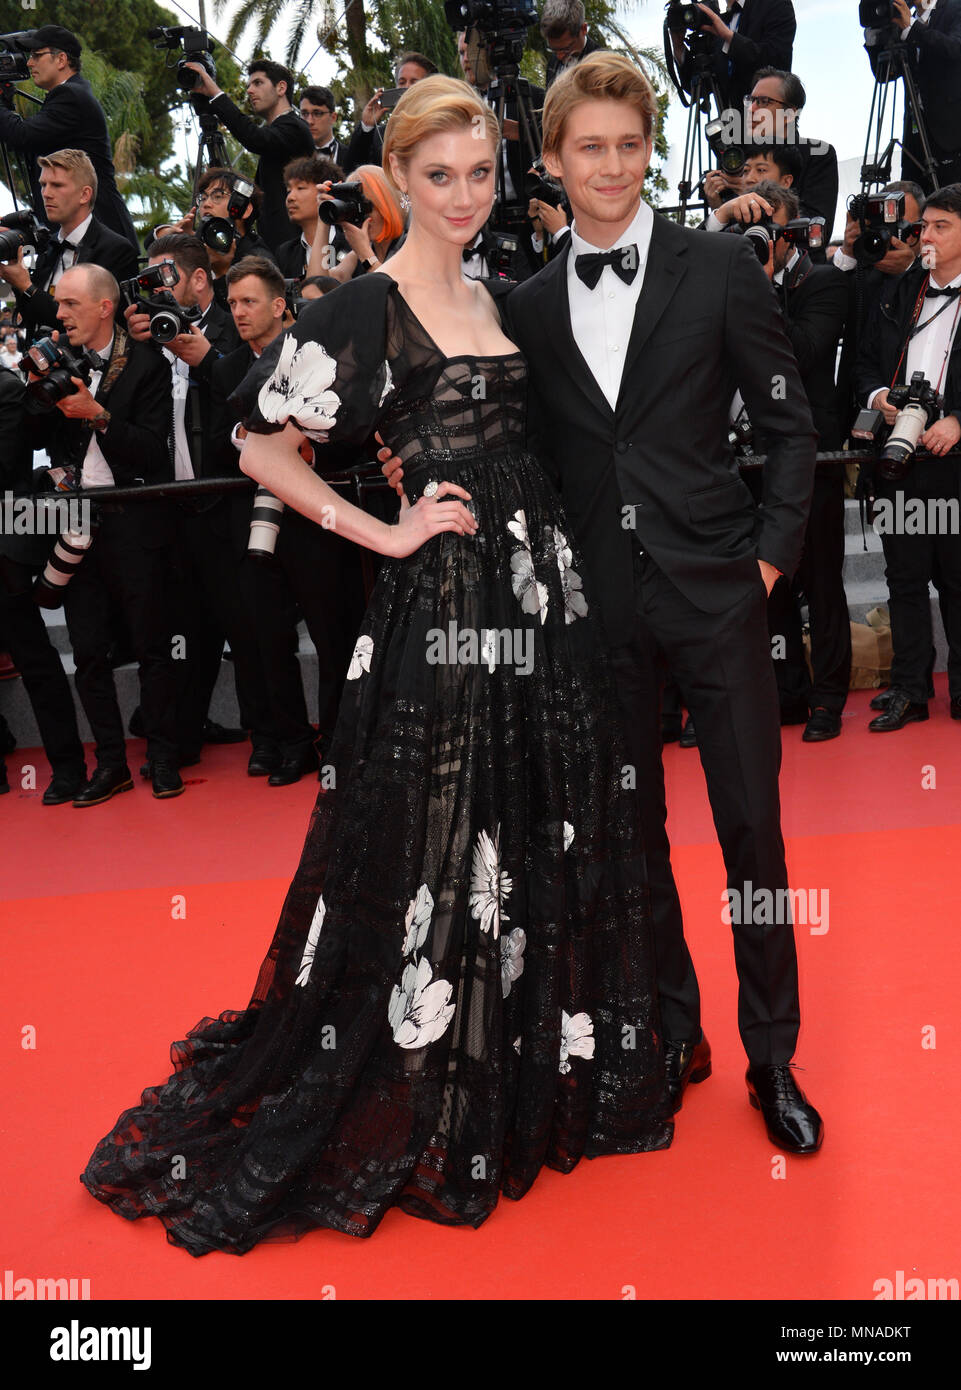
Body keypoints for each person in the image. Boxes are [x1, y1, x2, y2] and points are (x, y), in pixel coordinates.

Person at [80, 74, 672, 1254]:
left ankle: (521, 1045)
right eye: (438, 175)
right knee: (437, 827)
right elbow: (259, 442)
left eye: (481, 174)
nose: (463, 195)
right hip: (444, 597)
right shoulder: (364, 304)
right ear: (396, 183)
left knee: (532, 815)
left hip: (539, 598)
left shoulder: (503, 297)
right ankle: (429, 1061)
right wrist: (384, 528)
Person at [387, 53, 823, 1153]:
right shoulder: (525, 306)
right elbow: (504, 446)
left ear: (648, 150)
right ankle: (672, 1030)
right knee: (629, 837)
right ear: (554, 161)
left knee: (752, 834)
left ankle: (773, 1056)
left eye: (630, 145)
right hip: (595, 611)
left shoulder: (720, 266)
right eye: (591, 146)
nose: (613, 166)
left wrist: (766, 563)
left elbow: (789, 428)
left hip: (718, 594)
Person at [24, 264, 181, 806]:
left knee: (152, 647)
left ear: (103, 307)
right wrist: (37, 391)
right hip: (77, 527)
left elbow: (151, 451)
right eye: (58, 306)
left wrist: (99, 416)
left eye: (68, 305)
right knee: (88, 653)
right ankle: (110, 763)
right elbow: (36, 437)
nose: (59, 314)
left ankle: (162, 757)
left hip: (133, 522)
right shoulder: (55, 358)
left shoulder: (147, 365)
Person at [711, 182, 851, 740]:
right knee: (766, 586)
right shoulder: (719, 282)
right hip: (742, 461)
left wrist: (761, 281)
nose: (758, 240)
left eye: (771, 229)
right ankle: (788, 692)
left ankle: (829, 699)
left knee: (820, 581)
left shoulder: (827, 284)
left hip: (809, 457)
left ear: (793, 233)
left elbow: (801, 349)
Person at [856, 183, 961, 730]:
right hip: (899, 463)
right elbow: (864, 364)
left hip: (954, 464)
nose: (927, 236)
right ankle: (910, 690)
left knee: (957, 579)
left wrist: (959, 420)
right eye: (925, 227)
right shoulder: (897, 291)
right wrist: (880, 400)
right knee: (903, 578)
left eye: (941, 226)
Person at [0, 26, 138, 247]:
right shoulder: (70, 94)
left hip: (98, 238)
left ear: (61, 59)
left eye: (36, 55)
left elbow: (21, 135)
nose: (28, 63)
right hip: (86, 235)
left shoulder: (70, 96)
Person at [0, 148, 138, 335]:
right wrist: (17, 280)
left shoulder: (116, 250)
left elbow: (89, 326)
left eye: (57, 185)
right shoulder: (47, 246)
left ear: (84, 195)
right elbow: (31, 316)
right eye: (43, 185)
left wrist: (27, 287)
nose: (46, 193)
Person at [185, 58, 314, 253]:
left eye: (258, 83)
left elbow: (254, 138)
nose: (250, 91)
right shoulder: (282, 130)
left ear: (281, 88)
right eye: (249, 85)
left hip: (292, 243)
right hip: (278, 242)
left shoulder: (294, 127)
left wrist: (216, 94)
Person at [871, 0, 961, 193]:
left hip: (952, 135)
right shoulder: (902, 21)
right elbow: (887, 74)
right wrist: (874, 36)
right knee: (914, 203)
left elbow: (953, 48)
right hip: (916, 134)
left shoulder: (954, 8)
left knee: (951, 203)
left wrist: (911, 28)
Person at [746, 68, 839, 234]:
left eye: (764, 101)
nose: (752, 109)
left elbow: (817, 230)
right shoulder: (739, 157)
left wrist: (752, 194)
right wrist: (719, 204)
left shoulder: (818, 154)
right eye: (751, 100)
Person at [672, 0, 797, 114]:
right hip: (731, 132)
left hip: (771, 127)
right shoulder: (718, 22)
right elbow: (699, 86)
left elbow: (775, 63)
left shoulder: (776, 4)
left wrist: (729, 37)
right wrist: (678, 46)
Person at [307, 164, 406, 283]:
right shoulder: (356, 256)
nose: (364, 217)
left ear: (388, 205)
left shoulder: (409, 246)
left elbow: (399, 294)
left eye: (368, 207)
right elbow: (316, 285)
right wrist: (324, 219)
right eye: (357, 210)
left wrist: (364, 254)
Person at [344, 52, 438, 174]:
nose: (407, 88)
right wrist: (367, 126)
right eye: (402, 82)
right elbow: (353, 172)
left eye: (414, 82)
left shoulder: (443, 128)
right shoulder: (381, 135)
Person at [541, 0, 604, 87]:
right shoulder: (553, 62)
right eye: (554, 50)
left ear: (584, 29)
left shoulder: (604, 64)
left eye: (567, 48)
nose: (560, 56)